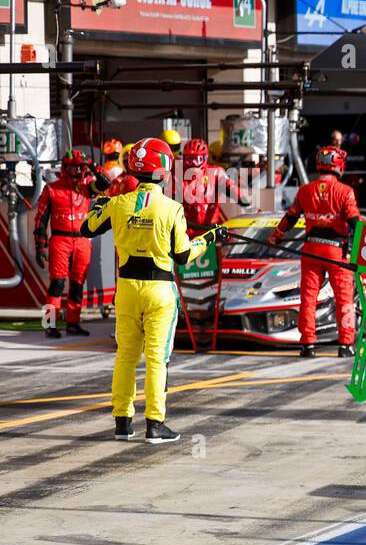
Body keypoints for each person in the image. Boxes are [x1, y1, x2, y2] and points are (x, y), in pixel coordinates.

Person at [80, 137, 227, 443]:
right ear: (164, 171)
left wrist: (98, 200)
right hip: (160, 290)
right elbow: (184, 255)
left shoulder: (118, 204)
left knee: (125, 357)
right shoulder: (172, 209)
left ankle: (122, 423)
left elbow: (87, 228)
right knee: (156, 359)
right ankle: (155, 425)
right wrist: (210, 237)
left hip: (127, 289)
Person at [268, 146, 359, 358]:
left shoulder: (305, 190)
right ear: (338, 165)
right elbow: (355, 223)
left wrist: (275, 237)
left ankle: (307, 345)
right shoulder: (345, 192)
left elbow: (290, 218)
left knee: (308, 298)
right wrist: (358, 251)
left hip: (311, 250)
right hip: (338, 251)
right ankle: (345, 345)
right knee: (344, 298)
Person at [34, 151, 94, 339]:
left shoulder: (87, 187)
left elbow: (106, 184)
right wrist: (40, 246)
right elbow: (40, 220)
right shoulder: (51, 189)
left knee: (77, 284)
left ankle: (73, 323)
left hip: (82, 241)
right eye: (74, 166)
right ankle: (49, 324)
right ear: (65, 168)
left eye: (80, 166)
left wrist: (92, 168)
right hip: (60, 240)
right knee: (57, 283)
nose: (77, 170)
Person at [179, 139, 245, 229]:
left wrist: (242, 199)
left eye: (197, 159)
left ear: (205, 158)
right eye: (189, 159)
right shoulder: (178, 175)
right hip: (187, 229)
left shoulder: (215, 172)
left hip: (210, 229)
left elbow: (230, 185)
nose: (192, 164)